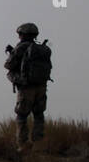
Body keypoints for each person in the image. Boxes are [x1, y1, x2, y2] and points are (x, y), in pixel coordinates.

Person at [5, 23, 53, 151]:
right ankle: (38, 144)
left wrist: (11, 54)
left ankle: (23, 145)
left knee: (21, 116)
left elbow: (8, 65)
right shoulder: (42, 49)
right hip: (41, 87)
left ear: (22, 34)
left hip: (26, 88)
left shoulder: (21, 47)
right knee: (39, 115)